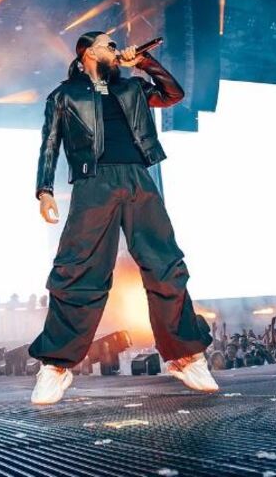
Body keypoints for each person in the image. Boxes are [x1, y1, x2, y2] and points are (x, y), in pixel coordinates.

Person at [28, 31, 216, 405]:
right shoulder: (65, 95)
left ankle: (185, 356)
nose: (115, 50)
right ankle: (55, 365)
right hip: (92, 182)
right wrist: (44, 189)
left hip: (138, 179)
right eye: (108, 45)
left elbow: (173, 94)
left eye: (116, 46)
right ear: (87, 54)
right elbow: (49, 142)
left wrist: (144, 63)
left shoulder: (132, 88)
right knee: (78, 269)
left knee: (165, 265)